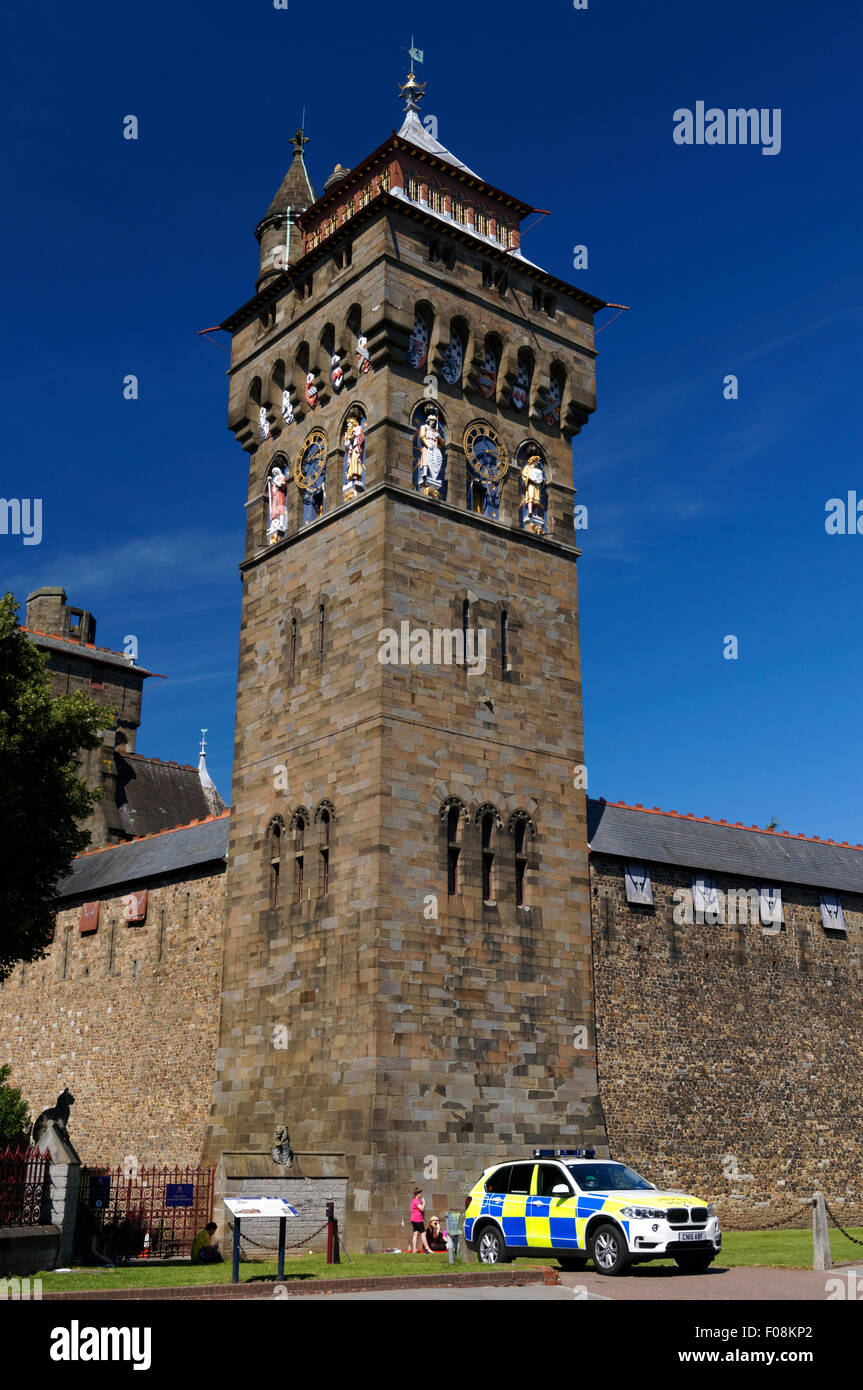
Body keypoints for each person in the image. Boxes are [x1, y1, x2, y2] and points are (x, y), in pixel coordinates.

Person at [409, 1188, 425, 1253]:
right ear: (417, 1194)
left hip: (413, 1219)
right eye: (420, 1193)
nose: (421, 1195)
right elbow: (421, 1208)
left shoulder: (413, 1200)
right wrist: (424, 1202)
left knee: (415, 1233)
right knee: (423, 1233)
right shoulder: (416, 1201)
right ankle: (427, 1248)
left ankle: (414, 1250)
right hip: (417, 1219)